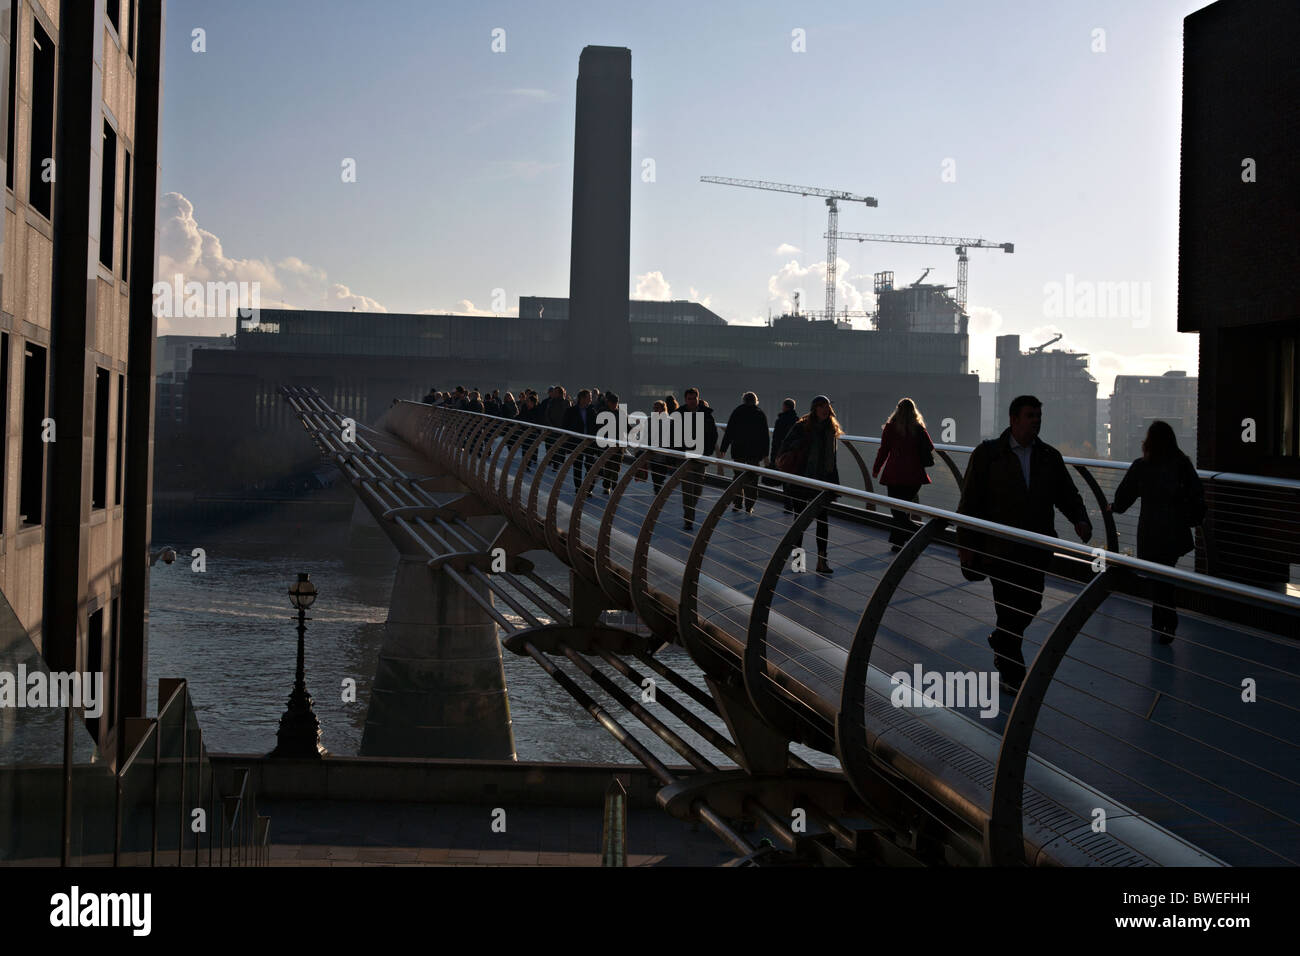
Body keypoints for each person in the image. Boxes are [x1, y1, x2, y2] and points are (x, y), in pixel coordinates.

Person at [957, 395, 1093, 693]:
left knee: (1032, 603)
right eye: (1030, 415)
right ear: (1013, 419)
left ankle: (1001, 640)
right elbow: (970, 501)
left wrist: (1080, 519)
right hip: (999, 549)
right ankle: (1012, 672)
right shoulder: (988, 454)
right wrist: (966, 544)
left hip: (1035, 549)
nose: (1036, 421)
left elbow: (1067, 494)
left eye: (1038, 416)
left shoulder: (1048, 456)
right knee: (1008, 608)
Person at [1107, 420, 1206, 644]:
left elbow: (1125, 496)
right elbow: (1197, 493)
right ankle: (1162, 620)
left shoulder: (1143, 466)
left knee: (1157, 576)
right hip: (1175, 530)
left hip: (1151, 531)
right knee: (1165, 574)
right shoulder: (1182, 464)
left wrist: (1113, 507)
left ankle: (1165, 620)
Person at [779, 395, 841, 574]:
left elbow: (832, 460)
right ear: (814, 409)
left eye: (826, 406)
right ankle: (798, 562)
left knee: (823, 521)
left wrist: (834, 484)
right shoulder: (802, 427)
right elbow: (785, 446)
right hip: (801, 479)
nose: (824, 409)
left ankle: (822, 562)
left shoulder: (831, 429)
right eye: (821, 406)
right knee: (799, 520)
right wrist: (802, 443)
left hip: (823, 482)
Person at [871, 398, 936, 552]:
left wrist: (876, 468)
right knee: (902, 510)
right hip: (914, 476)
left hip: (894, 475)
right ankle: (898, 543)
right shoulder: (919, 428)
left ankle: (918, 534)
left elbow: (884, 450)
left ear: (897, 410)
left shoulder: (890, 428)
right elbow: (930, 447)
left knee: (897, 511)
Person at [719, 392, 770, 515]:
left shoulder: (737, 412)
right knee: (752, 479)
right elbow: (765, 436)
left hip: (739, 450)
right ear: (755, 401)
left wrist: (723, 448)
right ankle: (749, 506)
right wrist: (765, 454)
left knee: (738, 477)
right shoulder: (760, 413)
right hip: (754, 452)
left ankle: (737, 503)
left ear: (744, 400)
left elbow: (729, 431)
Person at [678, 387, 718, 531]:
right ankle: (688, 519)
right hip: (685, 458)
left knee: (697, 490)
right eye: (689, 399)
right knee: (688, 490)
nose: (692, 401)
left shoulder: (706, 414)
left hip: (701, 457)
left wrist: (708, 451)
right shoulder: (679, 414)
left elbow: (713, 434)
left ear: (698, 399)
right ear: (685, 399)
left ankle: (690, 512)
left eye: (694, 399)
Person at [562, 389, 600, 494]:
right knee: (577, 466)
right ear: (582, 399)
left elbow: (596, 427)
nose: (591, 400)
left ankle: (588, 489)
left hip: (589, 442)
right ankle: (578, 488)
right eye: (589, 397)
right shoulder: (571, 411)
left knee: (590, 466)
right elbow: (565, 426)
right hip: (576, 442)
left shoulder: (592, 410)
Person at [770, 398, 799, 515]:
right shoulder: (798, 421)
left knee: (785, 480)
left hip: (782, 454)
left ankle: (788, 505)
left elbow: (776, 440)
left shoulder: (780, 420)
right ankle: (796, 504)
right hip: (795, 454)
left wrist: (773, 457)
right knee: (794, 479)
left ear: (785, 407)